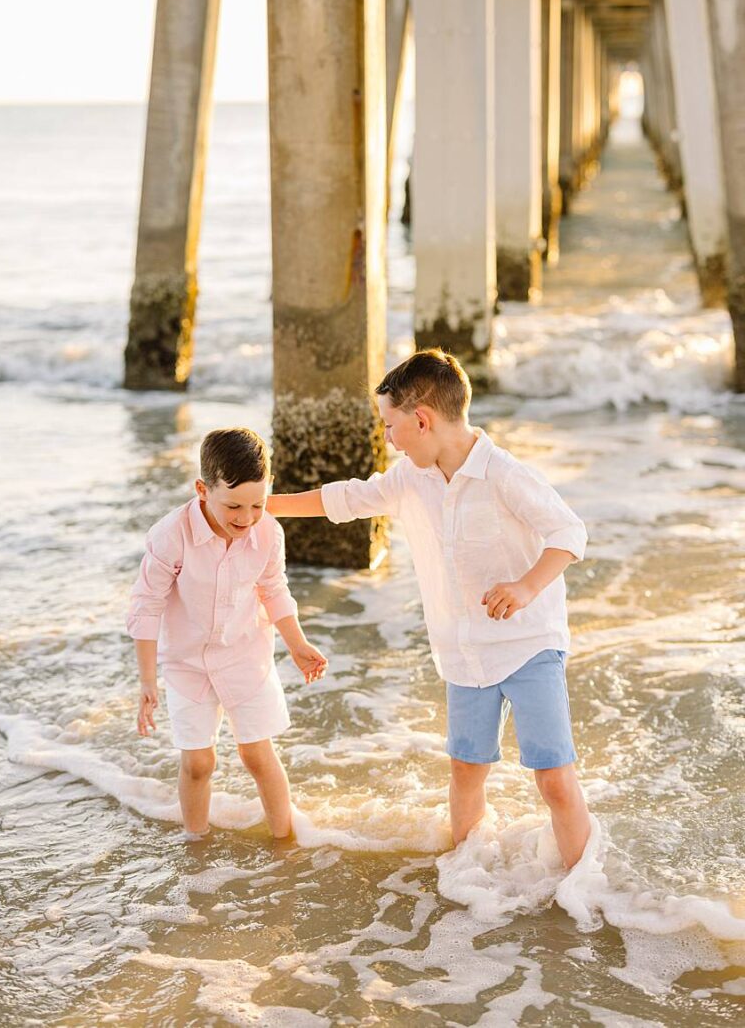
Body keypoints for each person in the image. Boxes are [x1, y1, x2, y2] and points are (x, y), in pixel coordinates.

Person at [266, 349, 593, 868]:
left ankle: (583, 889)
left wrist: (527, 586)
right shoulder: (410, 478)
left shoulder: (503, 473)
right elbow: (348, 499)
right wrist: (264, 505)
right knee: (466, 769)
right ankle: (466, 876)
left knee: (553, 779)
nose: (388, 437)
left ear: (422, 419)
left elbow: (569, 532)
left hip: (529, 645)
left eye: (390, 425)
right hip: (464, 654)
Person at [128, 428, 329, 838]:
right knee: (199, 762)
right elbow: (146, 605)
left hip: (245, 654)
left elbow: (273, 588)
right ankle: (195, 842)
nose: (246, 517)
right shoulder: (171, 536)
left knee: (258, 755)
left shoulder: (268, 532)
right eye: (233, 505)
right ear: (203, 490)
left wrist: (297, 643)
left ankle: (284, 842)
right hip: (188, 663)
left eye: (258, 504)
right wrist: (147, 680)